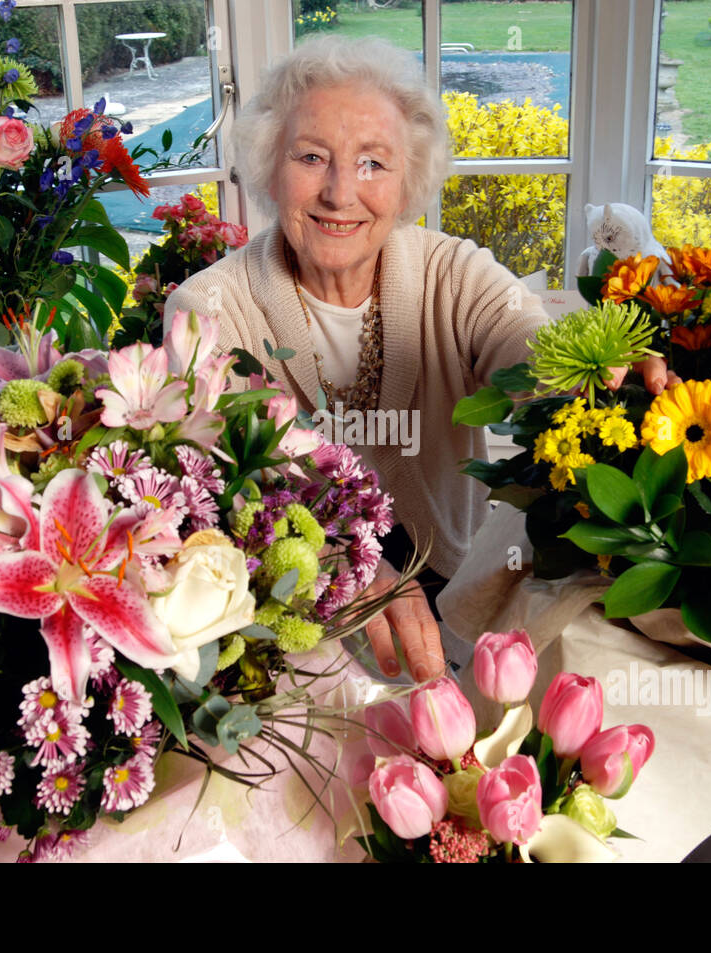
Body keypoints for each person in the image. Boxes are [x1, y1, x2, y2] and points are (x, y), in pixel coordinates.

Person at [164, 36, 671, 683]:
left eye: (373, 162)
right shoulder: (205, 310)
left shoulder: (453, 272)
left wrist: (591, 364)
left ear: (410, 180)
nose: (340, 192)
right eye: (312, 157)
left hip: (457, 595)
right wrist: (337, 555)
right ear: (268, 166)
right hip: (284, 620)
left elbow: (523, 337)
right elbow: (210, 490)